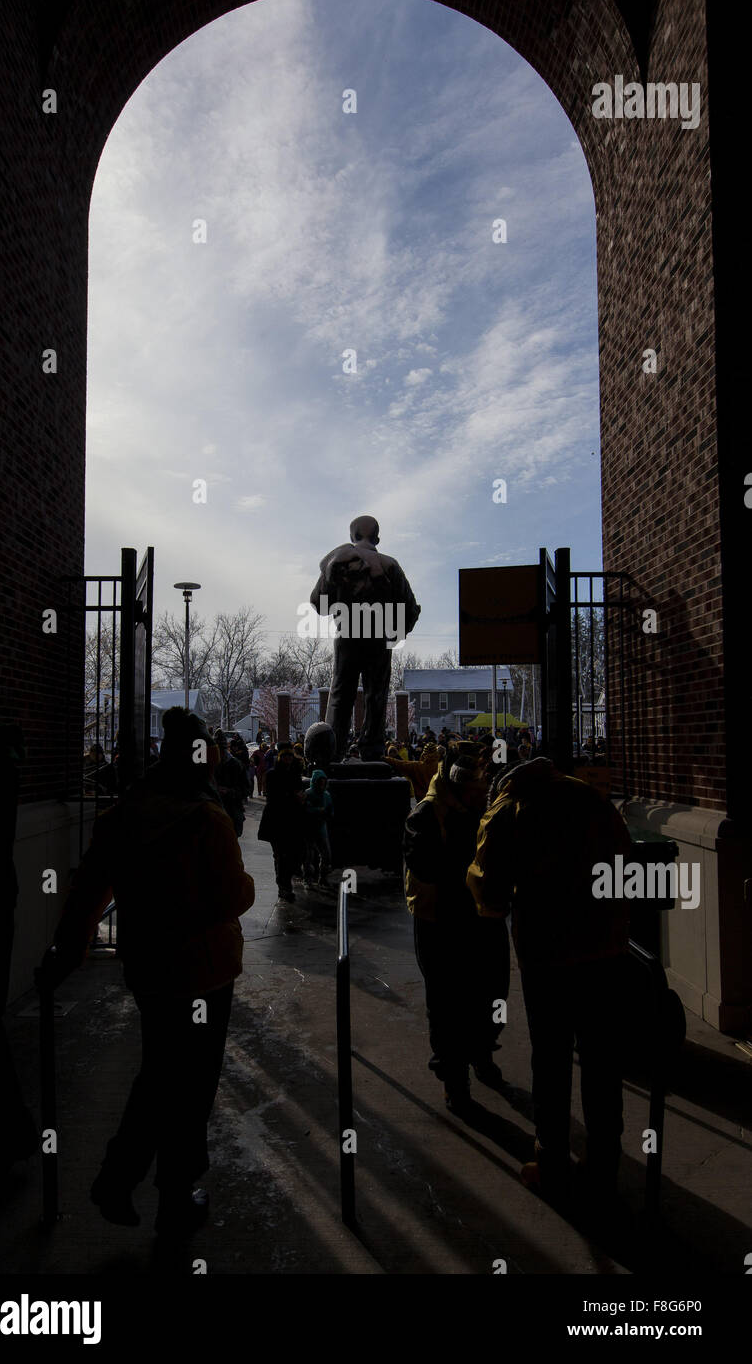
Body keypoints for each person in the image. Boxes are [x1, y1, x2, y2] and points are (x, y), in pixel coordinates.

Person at [38, 708, 255, 1237]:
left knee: (159, 1073)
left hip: (149, 968)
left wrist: (67, 954)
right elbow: (231, 896)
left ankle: (124, 1177)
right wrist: (246, 887)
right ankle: (166, 1190)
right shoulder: (207, 818)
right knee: (191, 1083)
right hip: (204, 971)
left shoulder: (124, 815)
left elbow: (88, 891)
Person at [466, 755, 633, 1207]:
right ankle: (604, 1167)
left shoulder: (510, 808)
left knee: (552, 1058)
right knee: (602, 1060)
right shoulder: (591, 799)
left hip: (548, 953)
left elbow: (489, 889)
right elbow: (627, 867)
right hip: (605, 949)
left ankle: (552, 1161)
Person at [404, 741, 509, 1114]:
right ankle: (454, 1077)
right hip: (441, 922)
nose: (484, 795)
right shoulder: (427, 816)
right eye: (478, 790)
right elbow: (426, 867)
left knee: (494, 992)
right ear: (461, 786)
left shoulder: (484, 812)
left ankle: (483, 1052)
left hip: (483, 918)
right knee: (447, 1002)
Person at [310, 515, 420, 760]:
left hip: (347, 635)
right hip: (379, 638)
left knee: (340, 694)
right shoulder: (390, 565)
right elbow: (410, 608)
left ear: (352, 536)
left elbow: (319, 604)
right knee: (376, 694)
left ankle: (334, 750)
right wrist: (396, 631)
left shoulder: (336, 561)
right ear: (377, 538)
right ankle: (373, 749)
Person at [258, 742, 306, 902]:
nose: (288, 758)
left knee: (291, 854)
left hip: (292, 820)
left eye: (290, 755)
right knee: (281, 855)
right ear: (280, 757)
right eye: (285, 756)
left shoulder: (295, 773)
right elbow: (274, 798)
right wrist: (294, 796)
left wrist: (300, 797)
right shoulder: (272, 775)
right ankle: (284, 886)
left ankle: (285, 883)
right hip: (277, 820)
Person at [303, 769, 334, 886]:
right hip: (310, 827)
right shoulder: (308, 794)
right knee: (309, 854)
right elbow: (305, 809)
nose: (322, 784)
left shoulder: (326, 795)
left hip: (321, 827)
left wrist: (328, 814)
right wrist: (319, 811)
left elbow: (331, 809)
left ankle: (323, 876)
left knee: (326, 854)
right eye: (320, 782)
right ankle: (308, 877)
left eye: (323, 782)